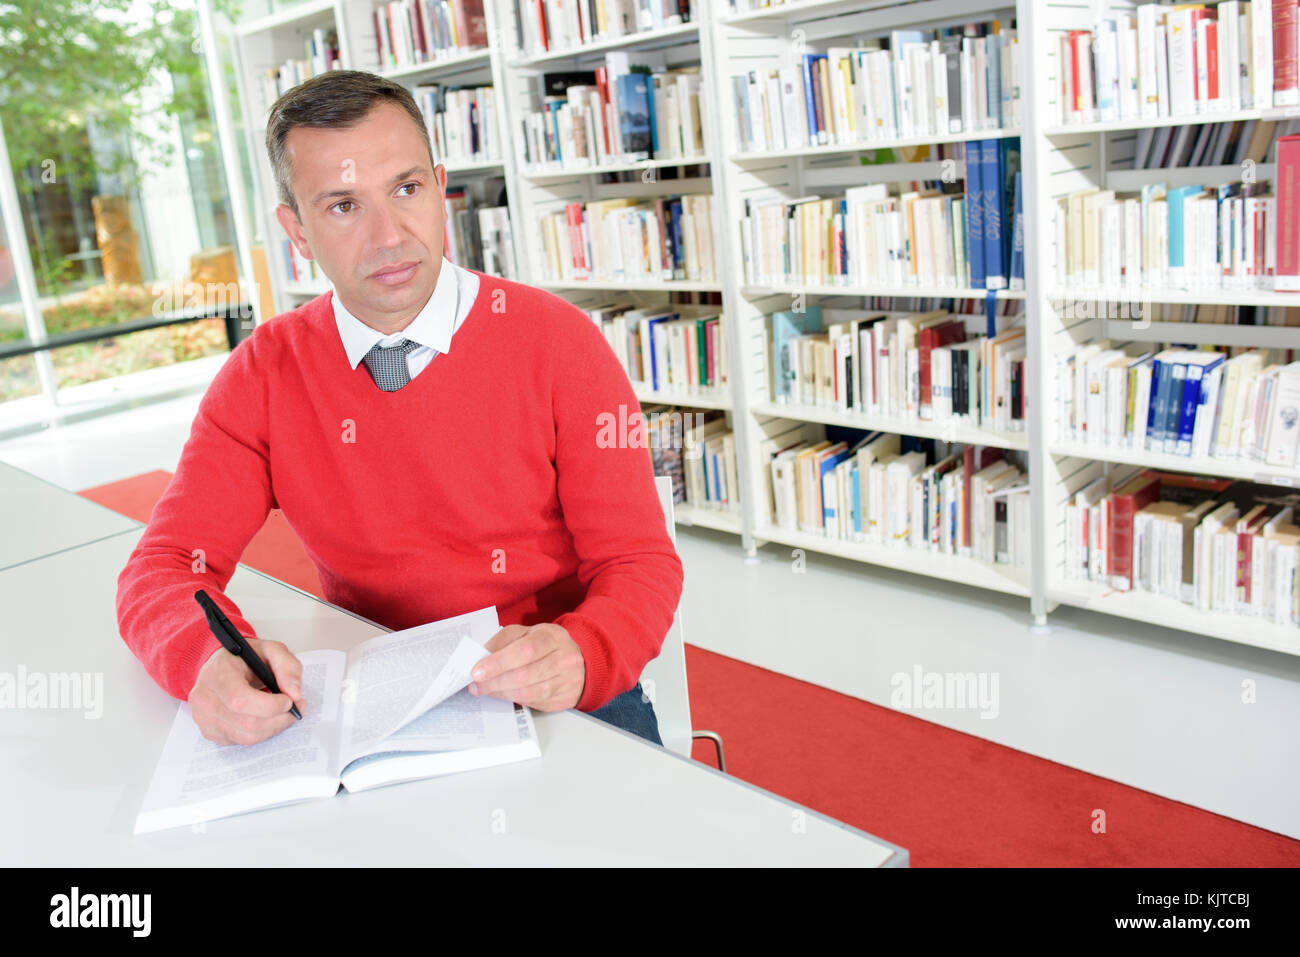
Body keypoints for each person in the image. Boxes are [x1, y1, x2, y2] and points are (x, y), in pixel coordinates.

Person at [116, 70, 683, 749]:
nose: (389, 236)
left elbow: (641, 561)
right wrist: (202, 660)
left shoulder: (559, 343)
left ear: (442, 190)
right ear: (296, 230)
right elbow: (167, 562)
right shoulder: (264, 374)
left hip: (552, 685)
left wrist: (585, 651)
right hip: (381, 690)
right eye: (344, 206)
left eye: (406, 189)